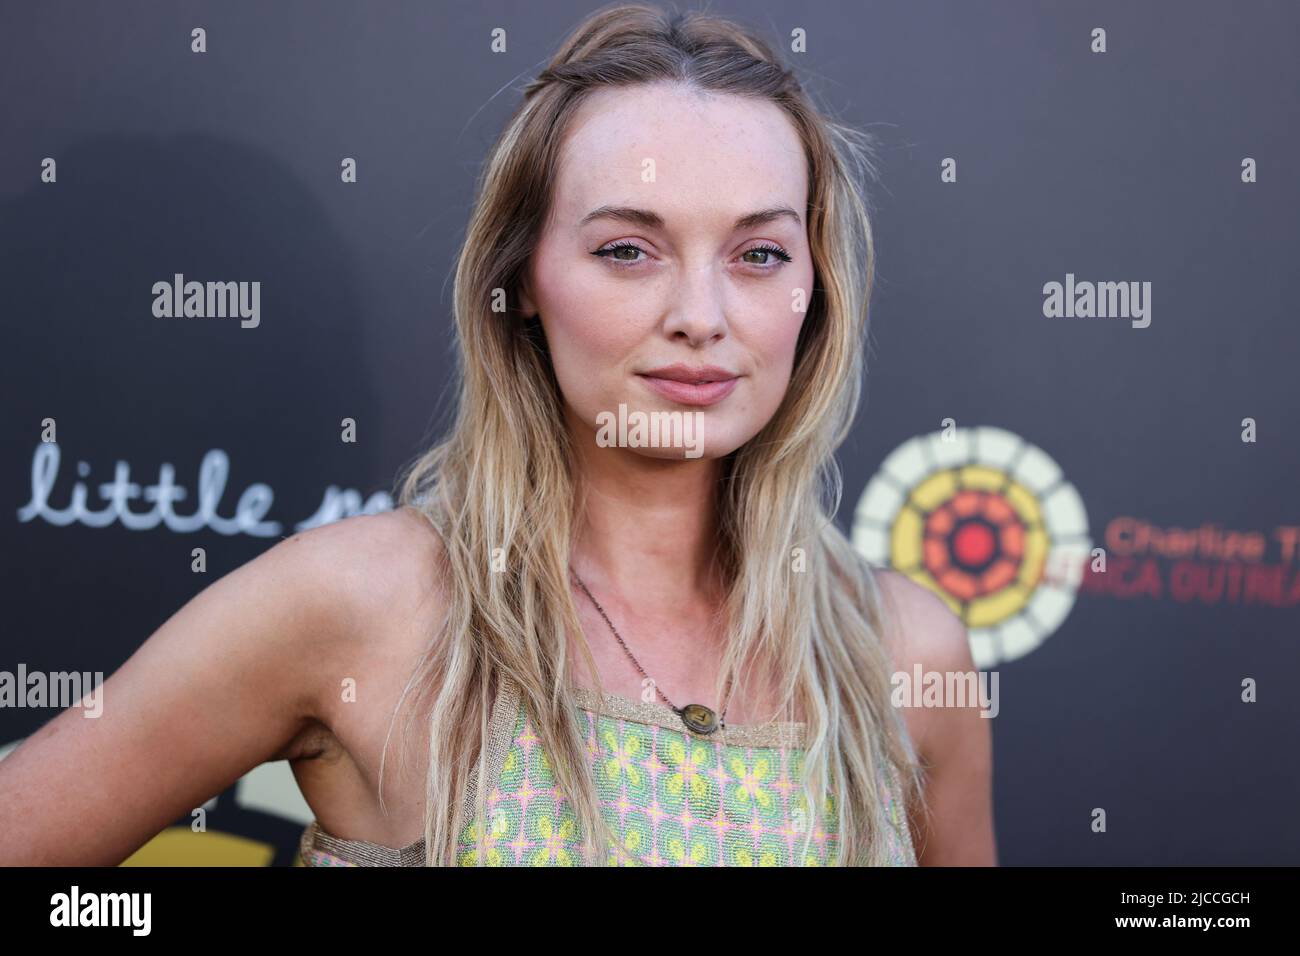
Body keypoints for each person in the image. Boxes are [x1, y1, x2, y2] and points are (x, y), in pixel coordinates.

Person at [0, 2, 995, 867]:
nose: (702, 311)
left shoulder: (902, 647)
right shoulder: (366, 605)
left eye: (758, 252)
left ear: (813, 289)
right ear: (519, 279)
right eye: (626, 248)